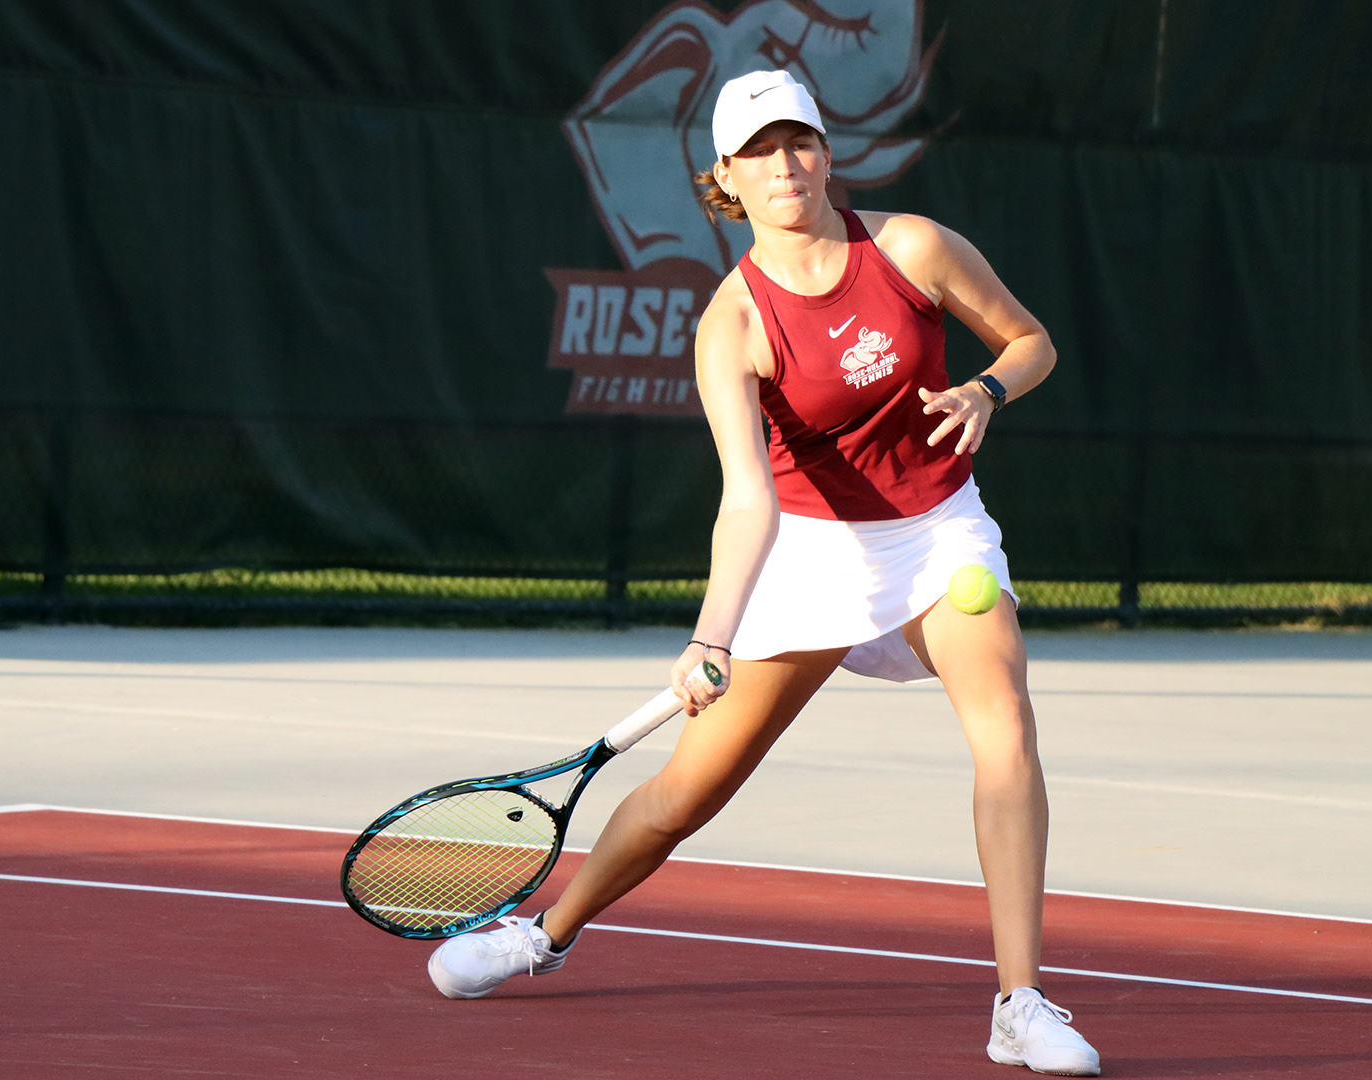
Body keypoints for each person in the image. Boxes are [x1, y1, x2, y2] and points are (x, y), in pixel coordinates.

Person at [425, 70, 1101, 1076]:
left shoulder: (912, 247)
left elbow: (1032, 339)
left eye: (800, 144)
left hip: (937, 533)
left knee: (1004, 718)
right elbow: (749, 496)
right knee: (687, 794)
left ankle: (1021, 1002)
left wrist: (987, 388)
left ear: (827, 154)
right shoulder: (733, 324)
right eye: (759, 152)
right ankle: (546, 934)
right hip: (812, 553)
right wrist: (710, 636)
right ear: (725, 180)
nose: (785, 165)